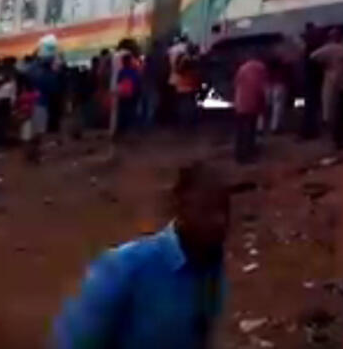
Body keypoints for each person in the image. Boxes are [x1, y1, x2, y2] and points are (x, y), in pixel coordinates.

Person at [53, 162, 230, 349]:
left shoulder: (210, 268)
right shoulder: (124, 268)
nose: (220, 221)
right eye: (206, 210)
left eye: (225, 210)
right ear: (179, 208)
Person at [311, 29, 343, 150]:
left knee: (331, 110)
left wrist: (325, 66)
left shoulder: (329, 49)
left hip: (331, 82)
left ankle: (335, 138)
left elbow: (313, 56)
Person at [233, 53, 268, 164]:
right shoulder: (261, 68)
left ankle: (239, 153)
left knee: (241, 130)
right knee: (250, 129)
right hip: (253, 102)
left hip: (240, 101)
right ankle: (248, 153)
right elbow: (261, 87)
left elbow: (236, 83)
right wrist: (263, 104)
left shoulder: (242, 68)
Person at [300, 23, 324, 140]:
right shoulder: (314, 47)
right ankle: (310, 130)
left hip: (307, 80)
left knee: (307, 106)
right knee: (311, 106)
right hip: (313, 81)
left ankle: (308, 130)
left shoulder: (307, 48)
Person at [115, 53, 142, 136]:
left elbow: (118, 82)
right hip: (132, 94)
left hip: (123, 94)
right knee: (131, 112)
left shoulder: (121, 72)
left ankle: (121, 130)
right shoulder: (134, 71)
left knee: (122, 112)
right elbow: (138, 83)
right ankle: (131, 130)